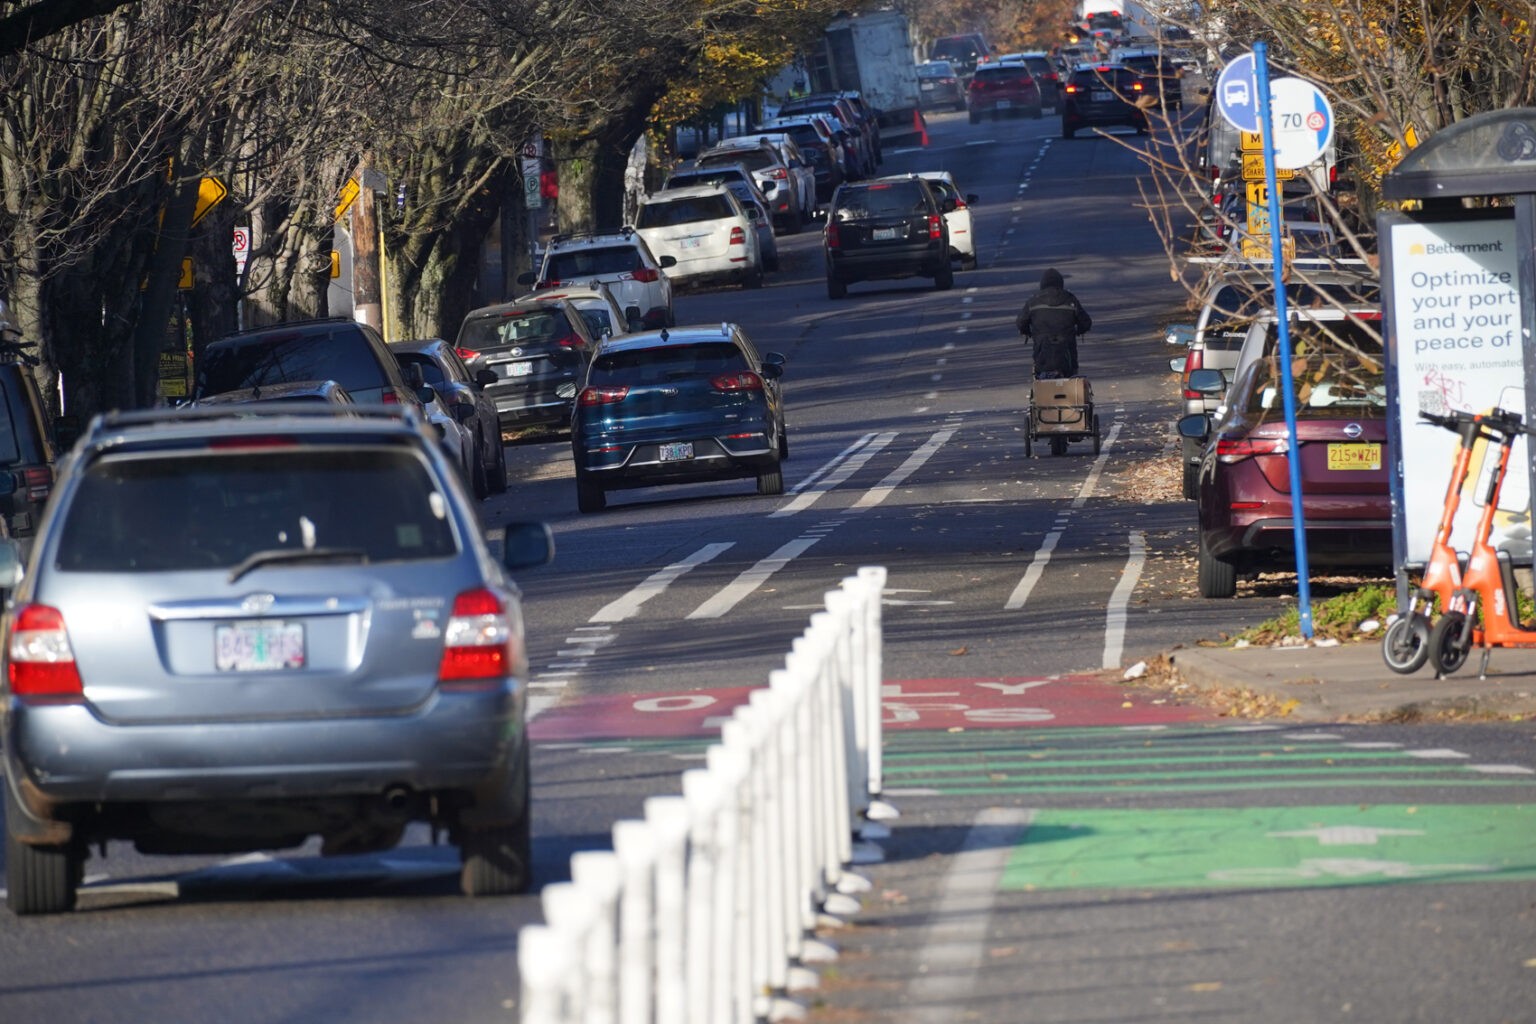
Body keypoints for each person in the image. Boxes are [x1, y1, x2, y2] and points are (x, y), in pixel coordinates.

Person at [1016, 268, 1092, 379]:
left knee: (1039, 375)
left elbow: (1021, 322)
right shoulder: (1070, 299)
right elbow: (1086, 322)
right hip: (1067, 355)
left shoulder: (1033, 301)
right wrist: (1078, 331)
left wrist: (1027, 332)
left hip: (1042, 354)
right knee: (1072, 377)